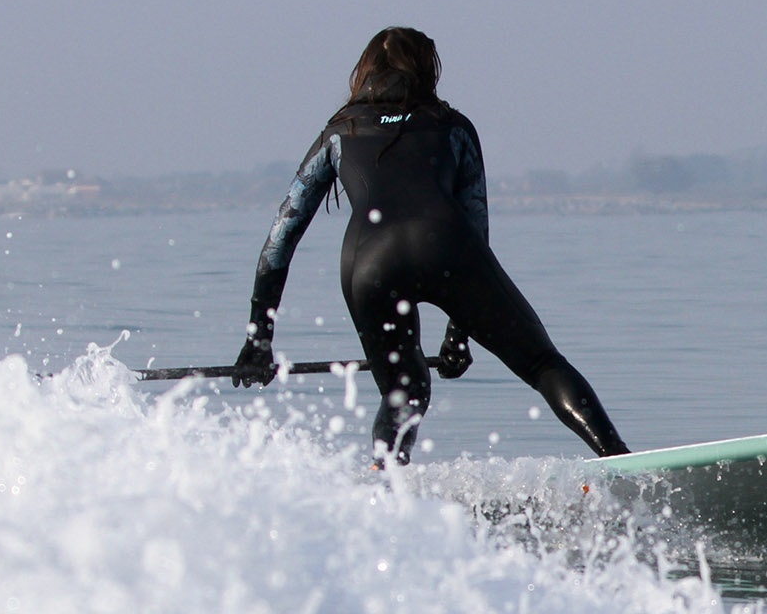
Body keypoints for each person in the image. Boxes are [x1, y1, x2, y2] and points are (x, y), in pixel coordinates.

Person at [234, 26, 629, 466]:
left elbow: (280, 238)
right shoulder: (453, 128)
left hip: (369, 263)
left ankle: (386, 487)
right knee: (541, 364)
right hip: (447, 249)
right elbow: (475, 227)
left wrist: (259, 339)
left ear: (364, 73)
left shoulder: (339, 132)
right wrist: (460, 333)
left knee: (405, 392)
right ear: (427, 71)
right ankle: (623, 463)